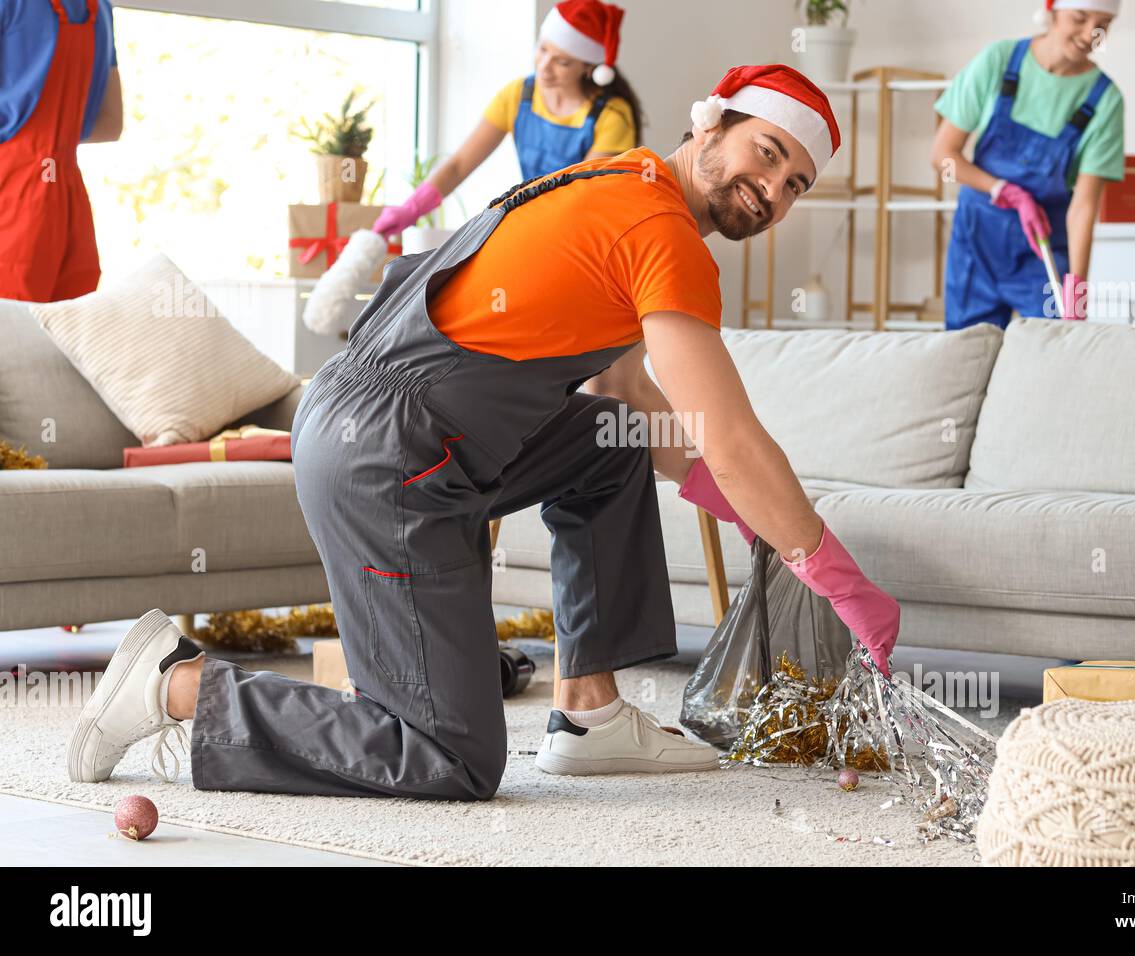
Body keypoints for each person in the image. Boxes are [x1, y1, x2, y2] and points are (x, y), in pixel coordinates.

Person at [68, 64, 902, 801]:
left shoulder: (620, 179)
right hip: (388, 453)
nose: (773, 188)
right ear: (712, 123)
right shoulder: (664, 233)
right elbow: (730, 433)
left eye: (795, 183)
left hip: (393, 428)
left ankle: (590, 716)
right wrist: (831, 571)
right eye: (768, 153)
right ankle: (178, 686)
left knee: (607, 443)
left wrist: (740, 505)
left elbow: (633, 396)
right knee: (450, 757)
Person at [371, 0, 644, 241]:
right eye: (543, 49)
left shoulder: (612, 115)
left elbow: (583, 195)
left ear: (588, 67)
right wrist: (412, 208)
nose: (544, 66)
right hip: (535, 222)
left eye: (562, 62)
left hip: (584, 232)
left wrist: (510, 216)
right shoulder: (517, 96)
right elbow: (457, 166)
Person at [932, 0, 1125, 329]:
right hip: (977, 243)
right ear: (1052, 10)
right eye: (1079, 17)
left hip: (1043, 250)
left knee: (1052, 354)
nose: (1090, 32)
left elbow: (1084, 207)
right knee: (967, 352)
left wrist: (1076, 292)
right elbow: (943, 156)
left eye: (1103, 24)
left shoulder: (1105, 100)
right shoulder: (999, 60)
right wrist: (1002, 189)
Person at [0, 0, 123, 302]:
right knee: (61, 330)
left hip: (12, 188)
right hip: (61, 180)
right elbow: (110, 124)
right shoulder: (99, 8)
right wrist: (54, 143)